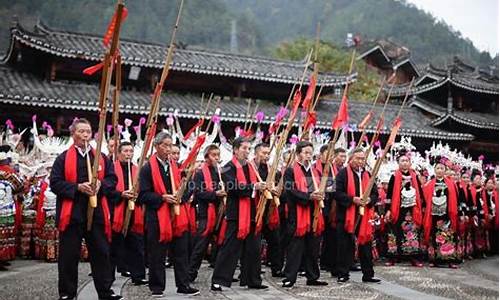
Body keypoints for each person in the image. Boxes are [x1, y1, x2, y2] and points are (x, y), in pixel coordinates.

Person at [50, 118, 121, 300]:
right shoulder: (63, 158)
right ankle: (67, 293)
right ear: (73, 134)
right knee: (68, 256)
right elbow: (55, 183)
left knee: (101, 253)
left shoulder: (101, 158)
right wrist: (77, 187)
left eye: (88, 131)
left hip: (96, 213)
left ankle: (105, 292)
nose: (85, 135)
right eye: (81, 131)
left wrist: (100, 186)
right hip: (72, 213)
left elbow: (112, 179)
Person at [137, 132, 199, 297]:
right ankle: (157, 287)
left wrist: (181, 196)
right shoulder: (147, 169)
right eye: (165, 145)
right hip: (157, 215)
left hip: (177, 215)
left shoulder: (176, 167)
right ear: (157, 147)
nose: (169, 149)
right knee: (157, 253)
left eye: (170, 145)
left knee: (181, 252)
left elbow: (188, 187)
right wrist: (162, 198)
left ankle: (183, 284)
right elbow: (142, 195)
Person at [211, 137, 268, 291]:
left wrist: (262, 186)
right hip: (236, 214)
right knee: (230, 248)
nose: (247, 151)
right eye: (244, 148)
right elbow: (233, 187)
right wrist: (255, 186)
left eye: (249, 149)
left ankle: (252, 279)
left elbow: (258, 182)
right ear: (235, 150)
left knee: (254, 249)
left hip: (252, 212)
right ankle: (218, 279)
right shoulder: (227, 168)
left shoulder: (251, 167)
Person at [281, 141, 328, 288]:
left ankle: (313, 276)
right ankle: (289, 277)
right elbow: (290, 191)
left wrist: (321, 194)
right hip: (297, 213)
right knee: (295, 247)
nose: (309, 156)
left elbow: (318, 189)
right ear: (298, 154)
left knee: (313, 248)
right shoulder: (290, 171)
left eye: (310, 153)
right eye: (306, 152)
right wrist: (309, 196)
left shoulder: (315, 172)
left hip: (313, 213)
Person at [335, 147, 380, 283]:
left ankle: (368, 275)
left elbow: (375, 193)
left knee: (365, 245)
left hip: (364, 215)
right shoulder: (342, 174)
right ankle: (343, 273)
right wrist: (352, 199)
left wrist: (369, 200)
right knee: (345, 245)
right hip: (346, 214)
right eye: (358, 158)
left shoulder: (367, 174)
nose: (361, 161)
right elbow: (336, 193)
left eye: (362, 159)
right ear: (351, 159)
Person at [109, 141, 147, 285]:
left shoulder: (138, 170)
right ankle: (108, 277)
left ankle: (138, 275)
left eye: (130, 151)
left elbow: (144, 190)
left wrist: (137, 196)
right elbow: (107, 190)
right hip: (117, 211)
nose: (128, 154)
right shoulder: (111, 169)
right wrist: (121, 194)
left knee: (136, 246)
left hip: (134, 211)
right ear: (118, 154)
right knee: (113, 247)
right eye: (125, 151)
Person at [188, 144, 226, 282]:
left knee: (221, 243)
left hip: (219, 212)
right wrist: (215, 194)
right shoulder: (199, 173)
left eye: (218, 155)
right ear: (206, 157)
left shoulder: (220, 172)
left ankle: (220, 272)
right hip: (206, 213)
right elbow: (198, 193)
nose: (217, 158)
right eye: (213, 155)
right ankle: (191, 272)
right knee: (201, 245)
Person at [384, 153, 424, 267]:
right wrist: (388, 210)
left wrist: (422, 207)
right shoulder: (394, 176)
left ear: (410, 163)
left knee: (411, 232)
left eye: (407, 160)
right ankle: (393, 257)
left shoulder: (414, 176)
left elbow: (419, 193)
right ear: (398, 163)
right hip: (397, 209)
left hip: (411, 209)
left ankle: (413, 257)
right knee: (394, 233)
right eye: (402, 160)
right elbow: (389, 195)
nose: (405, 162)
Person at [422, 158, 460, 268]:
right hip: (433, 214)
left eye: (441, 168)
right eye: (437, 168)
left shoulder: (451, 184)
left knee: (447, 236)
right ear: (434, 170)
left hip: (446, 213)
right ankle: (434, 260)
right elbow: (425, 199)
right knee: (434, 236)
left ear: (445, 170)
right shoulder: (429, 184)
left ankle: (449, 260)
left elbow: (455, 199)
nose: (439, 170)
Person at [253, 143, 283, 278]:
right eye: (263, 153)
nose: (266, 156)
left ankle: (276, 269)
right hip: (255, 209)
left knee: (275, 241)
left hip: (270, 210)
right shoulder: (251, 168)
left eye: (267, 153)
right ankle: (253, 269)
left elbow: (279, 189)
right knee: (255, 243)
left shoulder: (273, 170)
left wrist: (276, 189)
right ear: (256, 153)